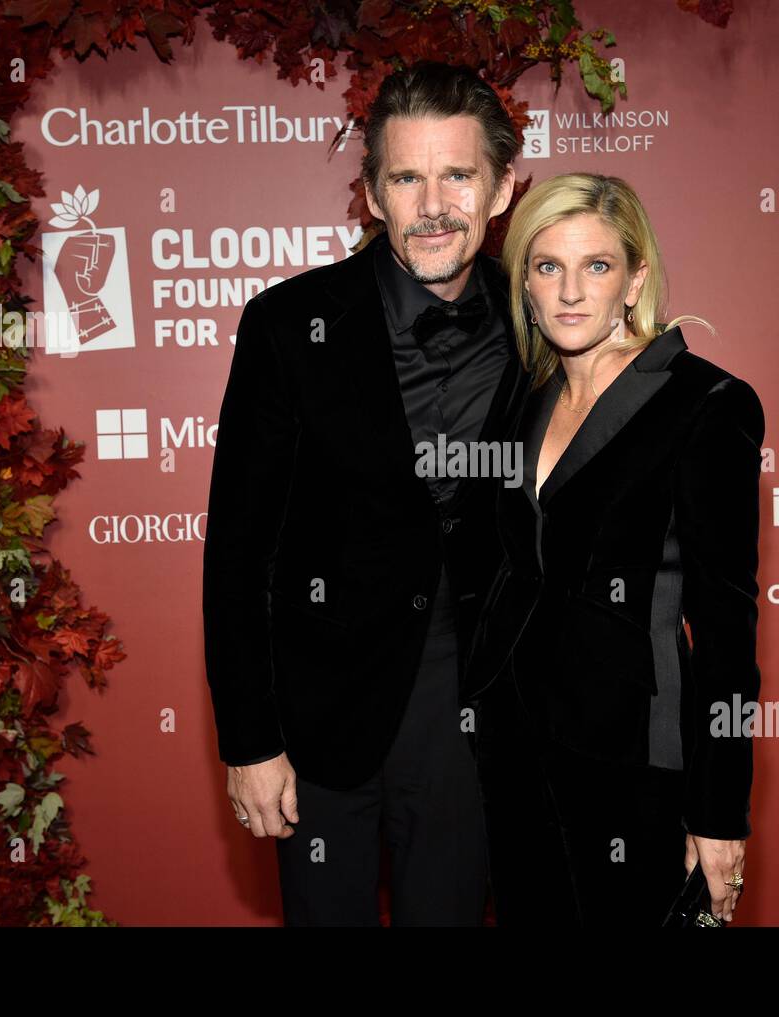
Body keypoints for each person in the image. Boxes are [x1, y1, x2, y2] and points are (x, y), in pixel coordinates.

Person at [202, 61, 528, 925]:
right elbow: (239, 551)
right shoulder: (288, 326)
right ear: (373, 194)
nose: (433, 205)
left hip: (471, 723)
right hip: (320, 726)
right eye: (406, 177)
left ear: (502, 190)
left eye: (458, 174)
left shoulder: (543, 326)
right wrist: (250, 741)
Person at [465, 172, 766, 926]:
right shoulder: (522, 398)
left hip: (633, 762)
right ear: (525, 285)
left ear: (634, 279)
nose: (570, 291)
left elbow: (727, 633)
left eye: (596, 266)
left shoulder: (705, 405)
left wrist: (719, 812)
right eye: (547, 266)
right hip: (514, 751)